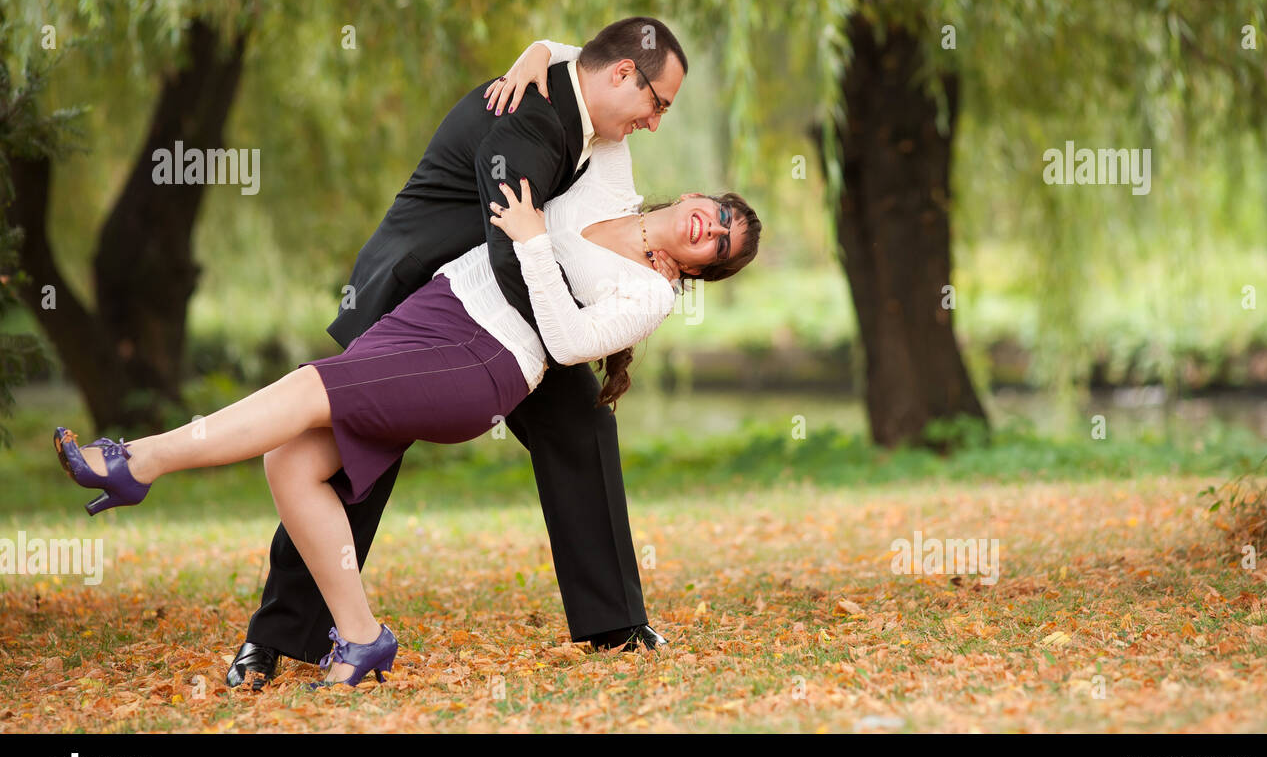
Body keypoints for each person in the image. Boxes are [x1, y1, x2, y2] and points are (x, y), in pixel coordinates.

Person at [54, 115, 762, 687]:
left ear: (707, 270)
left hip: (499, 349)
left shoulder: (651, 290)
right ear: (700, 195)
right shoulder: (612, 179)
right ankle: (341, 637)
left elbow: (572, 337)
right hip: (445, 295)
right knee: (294, 463)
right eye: (722, 212)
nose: (713, 227)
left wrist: (535, 241)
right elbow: (585, 87)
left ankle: (137, 461)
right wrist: (538, 54)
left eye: (722, 244)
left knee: (571, 428)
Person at [241, 17, 692, 687]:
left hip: (508, 309)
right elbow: (514, 251)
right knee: (357, 454)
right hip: (422, 289)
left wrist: (543, 44)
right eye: (658, 105)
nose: (656, 123)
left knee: (583, 424)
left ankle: (615, 623)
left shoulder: (590, 115)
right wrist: (564, 330)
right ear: (625, 76)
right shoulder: (524, 108)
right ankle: (280, 637)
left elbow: (593, 57)